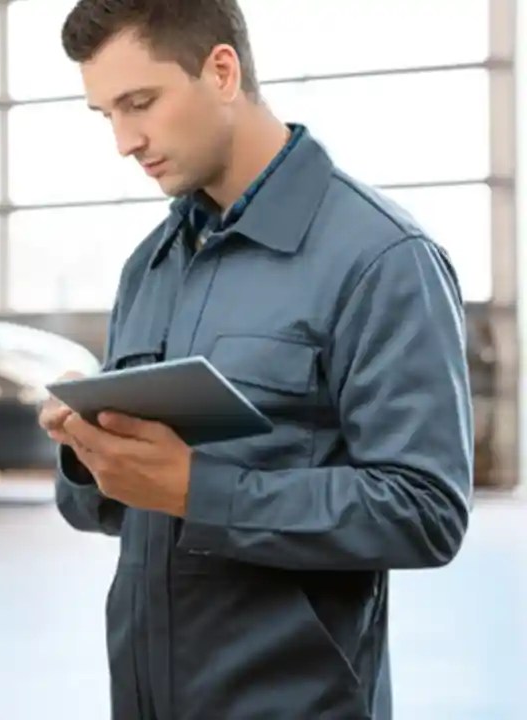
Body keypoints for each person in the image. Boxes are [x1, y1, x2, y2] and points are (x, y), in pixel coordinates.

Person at [38, 1, 474, 718]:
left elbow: (425, 512)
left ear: (220, 70)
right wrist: (89, 452)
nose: (124, 140)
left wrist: (195, 490)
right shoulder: (149, 266)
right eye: (105, 114)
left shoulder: (383, 259)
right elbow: (105, 511)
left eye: (139, 103)